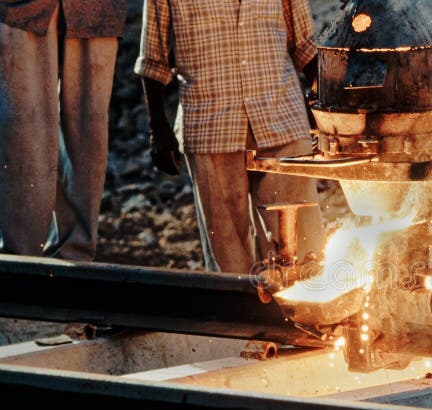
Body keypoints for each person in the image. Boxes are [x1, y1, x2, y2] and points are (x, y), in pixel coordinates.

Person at [135, 0, 325, 274]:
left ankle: (305, 314)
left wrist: (328, 104)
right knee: (229, 258)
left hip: (282, 115)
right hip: (210, 123)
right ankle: (239, 314)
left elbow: (305, 44)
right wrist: (158, 128)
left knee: (302, 248)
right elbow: (153, 57)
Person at [0, 1, 125, 259]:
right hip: (18, 9)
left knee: (89, 134)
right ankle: (19, 259)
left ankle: (75, 258)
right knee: (21, 132)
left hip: (95, 11)